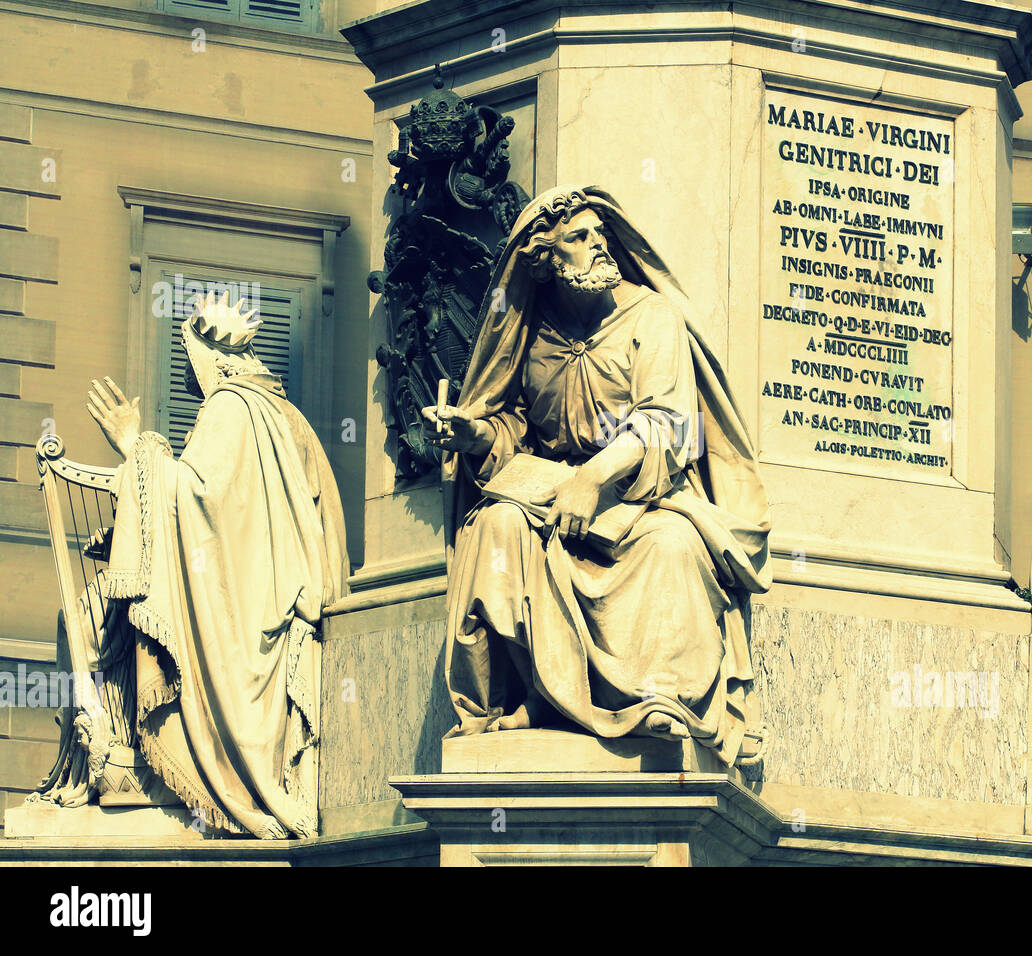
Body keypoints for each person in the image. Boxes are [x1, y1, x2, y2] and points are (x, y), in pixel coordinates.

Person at [426, 185, 771, 766]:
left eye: (601, 234)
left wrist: (592, 479)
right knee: (496, 527)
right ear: (546, 259)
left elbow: (667, 422)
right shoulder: (531, 332)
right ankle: (536, 695)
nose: (600, 246)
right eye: (580, 237)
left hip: (641, 494)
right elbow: (518, 425)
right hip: (547, 493)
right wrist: (477, 435)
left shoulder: (651, 316)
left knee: (669, 545)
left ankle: (660, 694)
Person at [30, 290, 348, 837]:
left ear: (213, 357)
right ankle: (106, 759)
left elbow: (200, 500)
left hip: (243, 624)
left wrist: (135, 445)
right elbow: (231, 523)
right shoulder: (284, 416)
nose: (186, 378)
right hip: (267, 606)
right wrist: (133, 532)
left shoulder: (231, 407)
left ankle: (111, 762)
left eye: (189, 361)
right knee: (90, 617)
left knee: (81, 621)